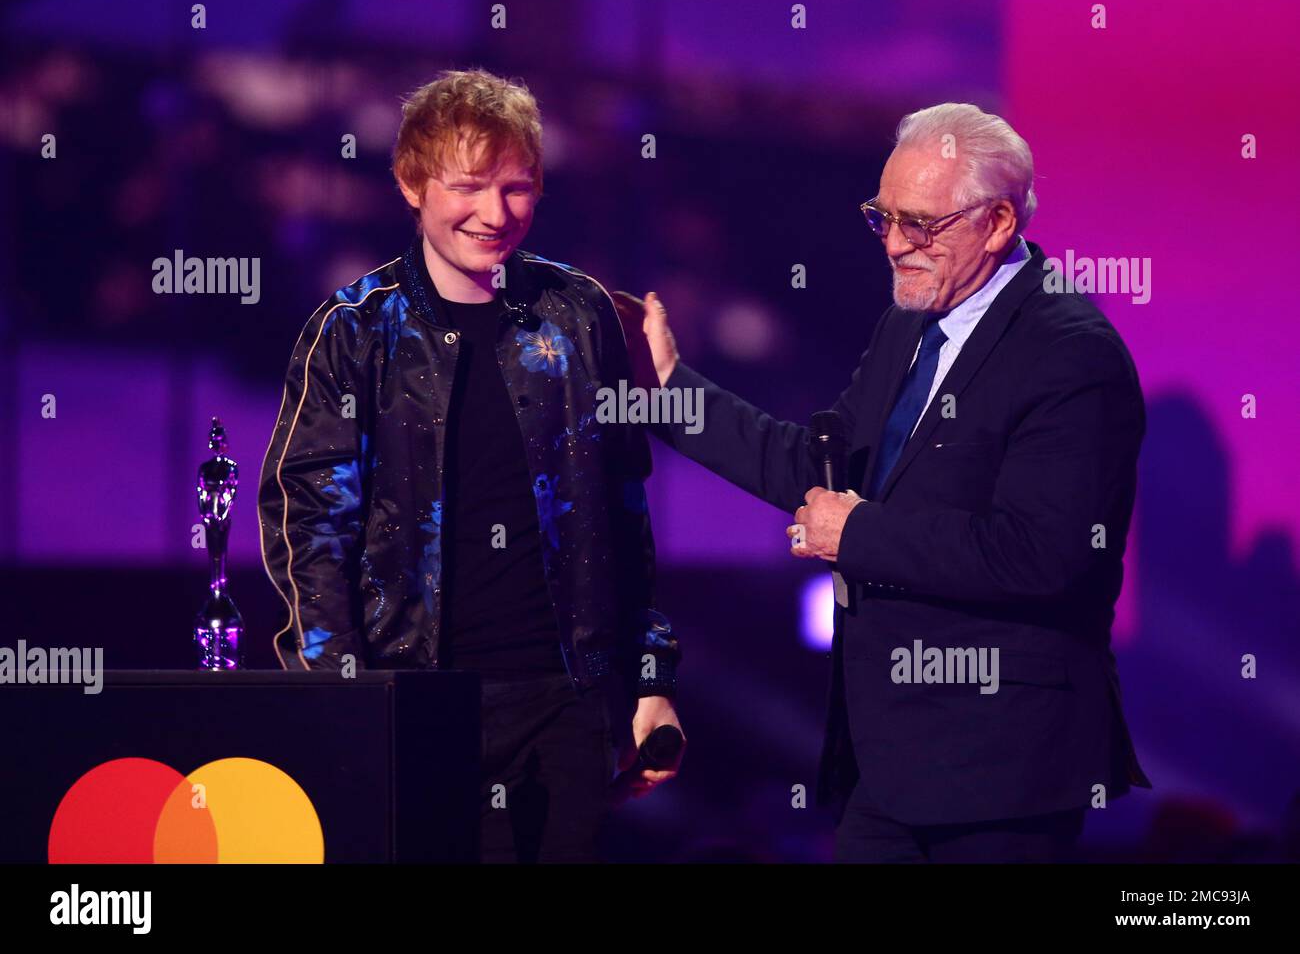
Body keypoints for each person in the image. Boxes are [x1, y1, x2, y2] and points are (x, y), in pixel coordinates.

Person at [616, 102, 1148, 862]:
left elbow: (1044, 554)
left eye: (920, 224)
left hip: (1001, 774)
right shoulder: (913, 319)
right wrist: (668, 388)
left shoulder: (1071, 356)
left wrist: (856, 533)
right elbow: (821, 472)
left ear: (998, 223)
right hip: (885, 765)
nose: (895, 244)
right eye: (882, 217)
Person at [259, 68, 683, 863]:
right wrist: (345, 699)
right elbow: (308, 523)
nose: (495, 213)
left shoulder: (579, 311)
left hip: (568, 700)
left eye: (518, 187)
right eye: (469, 186)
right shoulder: (355, 330)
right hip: (413, 700)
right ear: (411, 184)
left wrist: (649, 677)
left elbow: (625, 509)